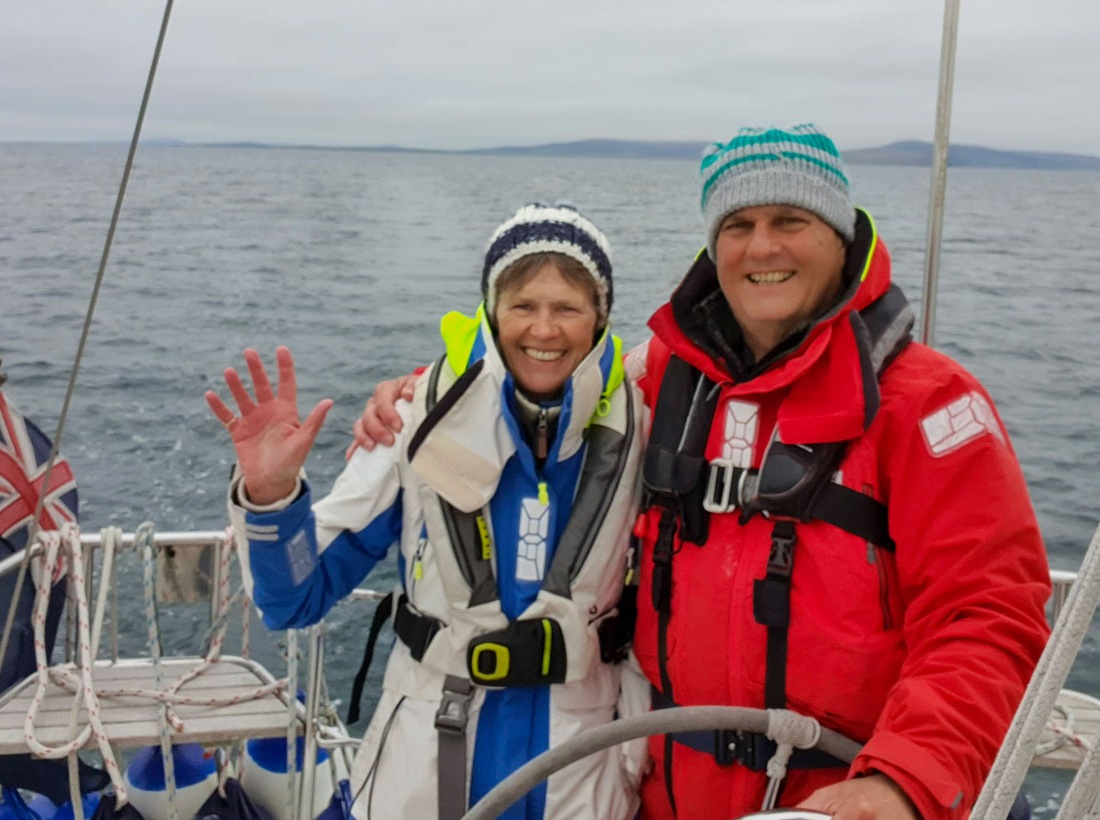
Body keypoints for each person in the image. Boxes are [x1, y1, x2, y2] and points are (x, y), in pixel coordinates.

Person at [349, 125, 1052, 820]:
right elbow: (541, 382)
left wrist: (903, 782)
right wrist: (420, 397)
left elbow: (988, 618)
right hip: (664, 795)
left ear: (841, 237)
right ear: (714, 247)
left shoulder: (928, 407)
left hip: (842, 800)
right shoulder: (666, 379)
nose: (762, 246)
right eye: (738, 223)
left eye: (790, 220)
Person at [206, 204, 649, 820]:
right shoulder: (415, 423)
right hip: (424, 762)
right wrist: (272, 498)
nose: (543, 330)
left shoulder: (648, 427)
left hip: (583, 770)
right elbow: (295, 599)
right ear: (491, 314)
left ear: (599, 318)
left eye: (567, 308)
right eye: (523, 305)